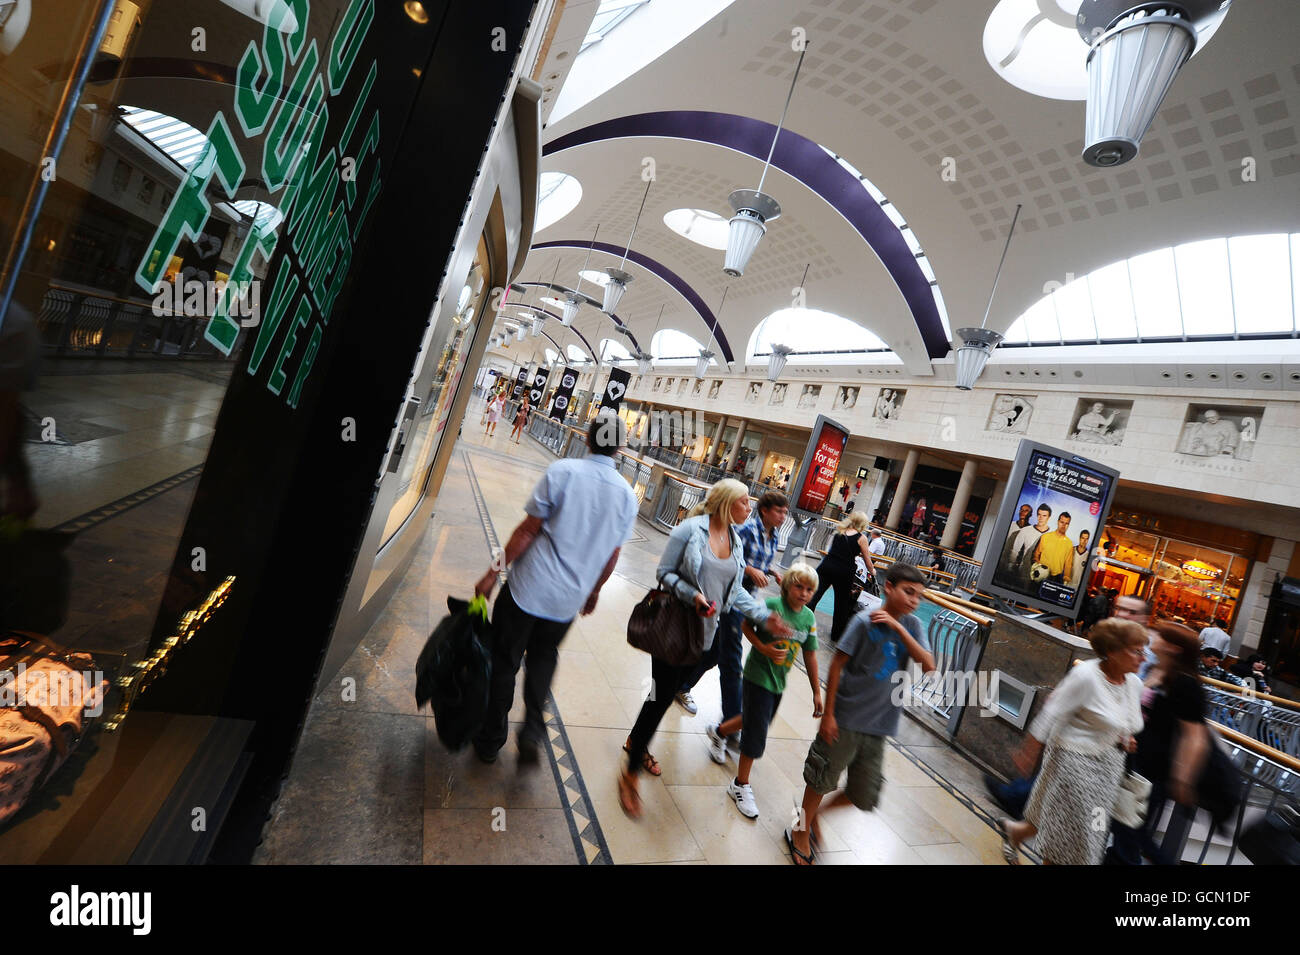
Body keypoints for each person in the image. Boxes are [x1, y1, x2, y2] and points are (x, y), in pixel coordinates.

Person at [619, 479, 793, 818]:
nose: (749, 507)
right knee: (658, 699)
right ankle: (630, 772)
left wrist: (763, 616)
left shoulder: (734, 539)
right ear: (728, 503)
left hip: (708, 633)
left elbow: (735, 593)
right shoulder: (690, 530)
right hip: (677, 628)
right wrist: (693, 596)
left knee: (663, 695)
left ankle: (635, 740)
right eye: (744, 502)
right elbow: (664, 573)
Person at [471, 413, 638, 765]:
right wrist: (592, 592)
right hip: (567, 601)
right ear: (620, 447)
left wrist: (492, 573)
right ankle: (532, 728)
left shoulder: (564, 472)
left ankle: (489, 741)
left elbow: (527, 531)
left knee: (504, 661)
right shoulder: (626, 495)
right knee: (544, 657)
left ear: (589, 438)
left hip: (526, 590)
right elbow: (612, 555)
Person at [787, 563, 935, 864]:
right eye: (909, 592)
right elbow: (838, 664)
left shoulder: (913, 626)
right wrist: (828, 715)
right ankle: (799, 828)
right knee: (819, 779)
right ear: (889, 587)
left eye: (919, 596)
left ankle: (814, 816)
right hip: (846, 719)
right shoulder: (864, 621)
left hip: (880, 724)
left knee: (864, 795)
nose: (914, 601)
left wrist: (897, 627)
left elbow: (928, 664)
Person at [998, 618, 1146, 865]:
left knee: (1093, 829)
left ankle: (1016, 832)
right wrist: (1029, 752)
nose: (1143, 658)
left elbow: (1122, 720)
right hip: (1074, 762)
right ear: (1112, 651)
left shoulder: (1134, 683)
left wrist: (1126, 738)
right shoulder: (1086, 676)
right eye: (1136, 651)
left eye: (1144, 650)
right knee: (1073, 831)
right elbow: (1051, 713)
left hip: (1108, 770)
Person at [705, 565, 822, 819]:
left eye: (809, 589)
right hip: (757, 675)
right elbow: (747, 627)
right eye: (798, 586)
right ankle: (740, 784)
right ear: (787, 585)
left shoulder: (808, 618)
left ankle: (719, 731)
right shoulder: (771, 606)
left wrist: (816, 692)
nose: (803, 593)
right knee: (756, 732)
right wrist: (764, 648)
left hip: (778, 681)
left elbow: (811, 654)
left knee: (754, 720)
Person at [674, 491, 789, 742]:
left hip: (746, 597)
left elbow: (757, 558)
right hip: (730, 595)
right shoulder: (746, 530)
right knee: (732, 661)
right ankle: (731, 723)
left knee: (716, 653)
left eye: (785, 512)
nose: (783, 516)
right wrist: (750, 569)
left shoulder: (774, 534)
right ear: (765, 510)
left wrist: (770, 570)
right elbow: (732, 558)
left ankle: (682, 685)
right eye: (779, 511)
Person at [1107, 622, 1210, 865]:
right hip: (1130, 757)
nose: (1155, 638)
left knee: (1130, 831)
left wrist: (1182, 778)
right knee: (1127, 828)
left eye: (1161, 637)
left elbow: (1195, 736)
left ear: (1174, 648)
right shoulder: (1152, 668)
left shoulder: (1186, 684)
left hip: (1153, 770)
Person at [810, 511, 877, 644]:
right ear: (863, 524)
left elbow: (833, 549)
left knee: (814, 596)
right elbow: (867, 560)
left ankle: (802, 622)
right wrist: (873, 571)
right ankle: (836, 635)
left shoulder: (840, 531)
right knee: (841, 604)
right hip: (844, 572)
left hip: (827, 566)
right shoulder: (861, 538)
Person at [999, 504, 1051, 589]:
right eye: (1039, 515)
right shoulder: (1025, 531)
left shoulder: (1051, 536)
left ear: (1049, 517)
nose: (1041, 518)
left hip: (1041, 577)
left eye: (1044, 515)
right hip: (1023, 574)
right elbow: (1014, 552)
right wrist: (1011, 568)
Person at [1032, 512, 1073, 586]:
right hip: (1041, 574)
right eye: (1062, 522)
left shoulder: (1069, 544)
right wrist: (1037, 567)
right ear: (1058, 522)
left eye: (1066, 523)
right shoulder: (1045, 537)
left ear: (1069, 525)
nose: (1063, 525)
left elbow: (1068, 564)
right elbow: (1036, 554)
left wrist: (1066, 577)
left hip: (1056, 579)